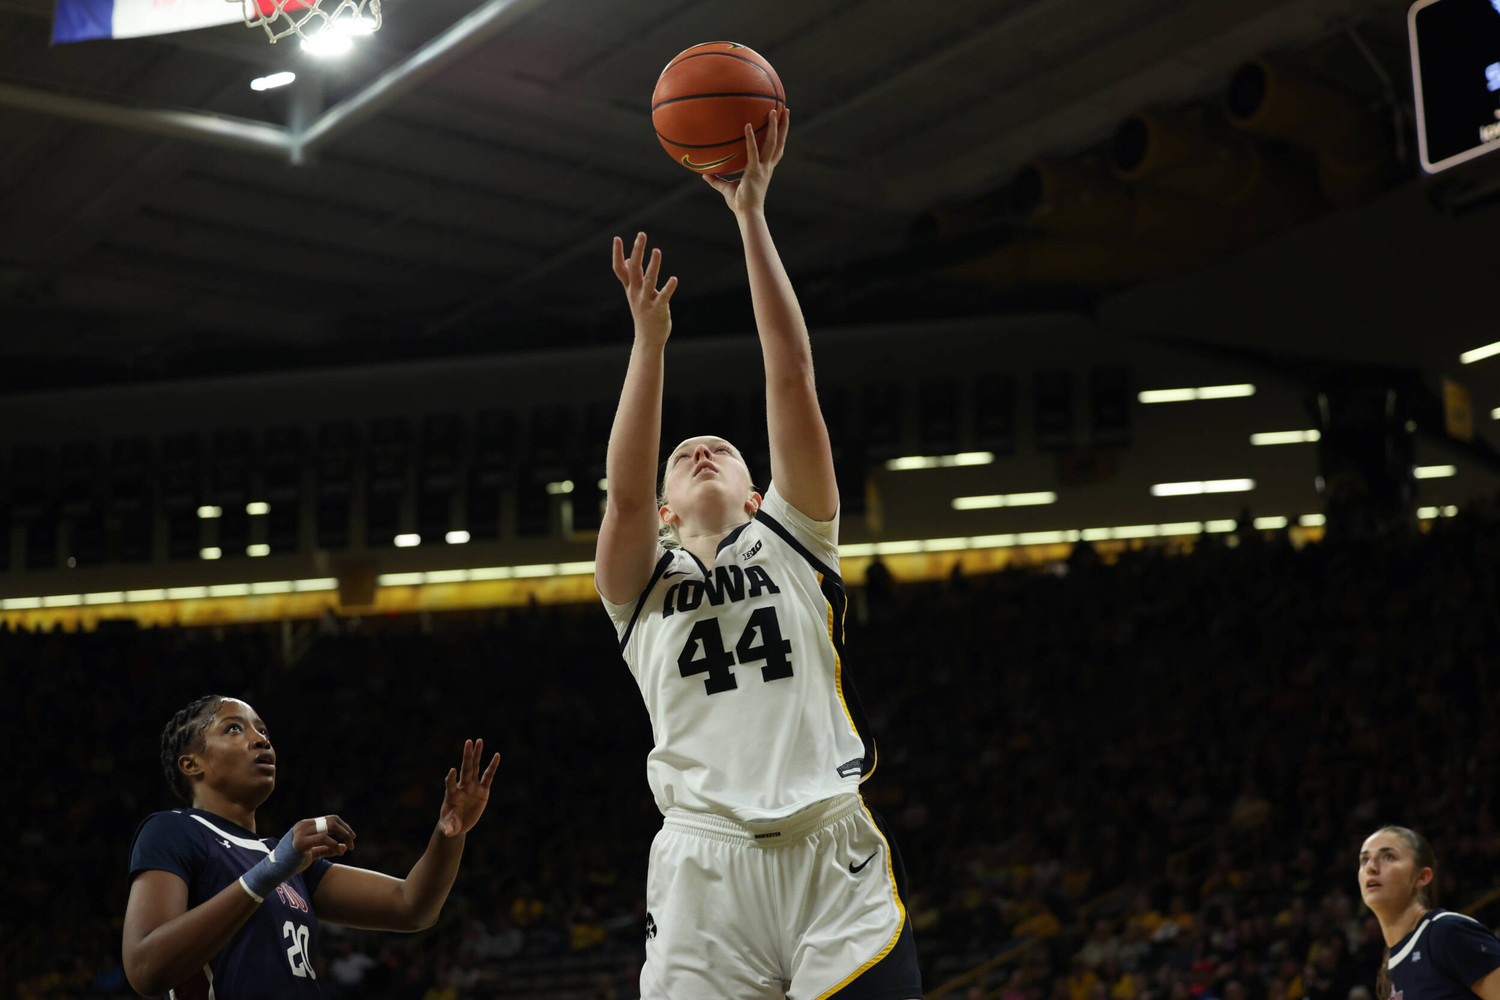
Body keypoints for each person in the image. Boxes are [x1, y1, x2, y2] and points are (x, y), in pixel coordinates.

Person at [595, 106, 921, 1000]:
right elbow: (623, 496)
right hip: (705, 869)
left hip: (830, 847)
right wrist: (649, 344)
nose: (703, 449)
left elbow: (791, 375)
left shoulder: (795, 539)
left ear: (757, 493)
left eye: (724, 450)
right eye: (683, 454)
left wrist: (750, 216)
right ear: (666, 512)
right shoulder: (637, 586)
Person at [122, 694, 500, 998]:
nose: (261, 739)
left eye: (263, 730)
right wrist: (271, 871)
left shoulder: (288, 858)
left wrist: (450, 833)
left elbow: (412, 906)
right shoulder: (174, 830)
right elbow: (145, 968)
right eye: (233, 728)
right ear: (191, 765)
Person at [1357, 825, 1500, 1000]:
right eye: (1364, 860)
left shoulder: (1446, 931)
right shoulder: (1392, 963)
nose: (1371, 867)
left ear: (1422, 876)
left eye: (1388, 857)